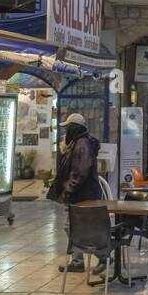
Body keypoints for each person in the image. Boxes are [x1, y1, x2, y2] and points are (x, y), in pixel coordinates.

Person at [48, 113, 103, 276]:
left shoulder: (81, 145)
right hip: (81, 194)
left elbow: (80, 172)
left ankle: (103, 256)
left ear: (74, 128)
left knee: (74, 227)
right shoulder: (78, 143)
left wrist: (69, 188)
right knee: (76, 227)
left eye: (67, 128)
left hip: (81, 195)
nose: (65, 132)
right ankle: (78, 261)